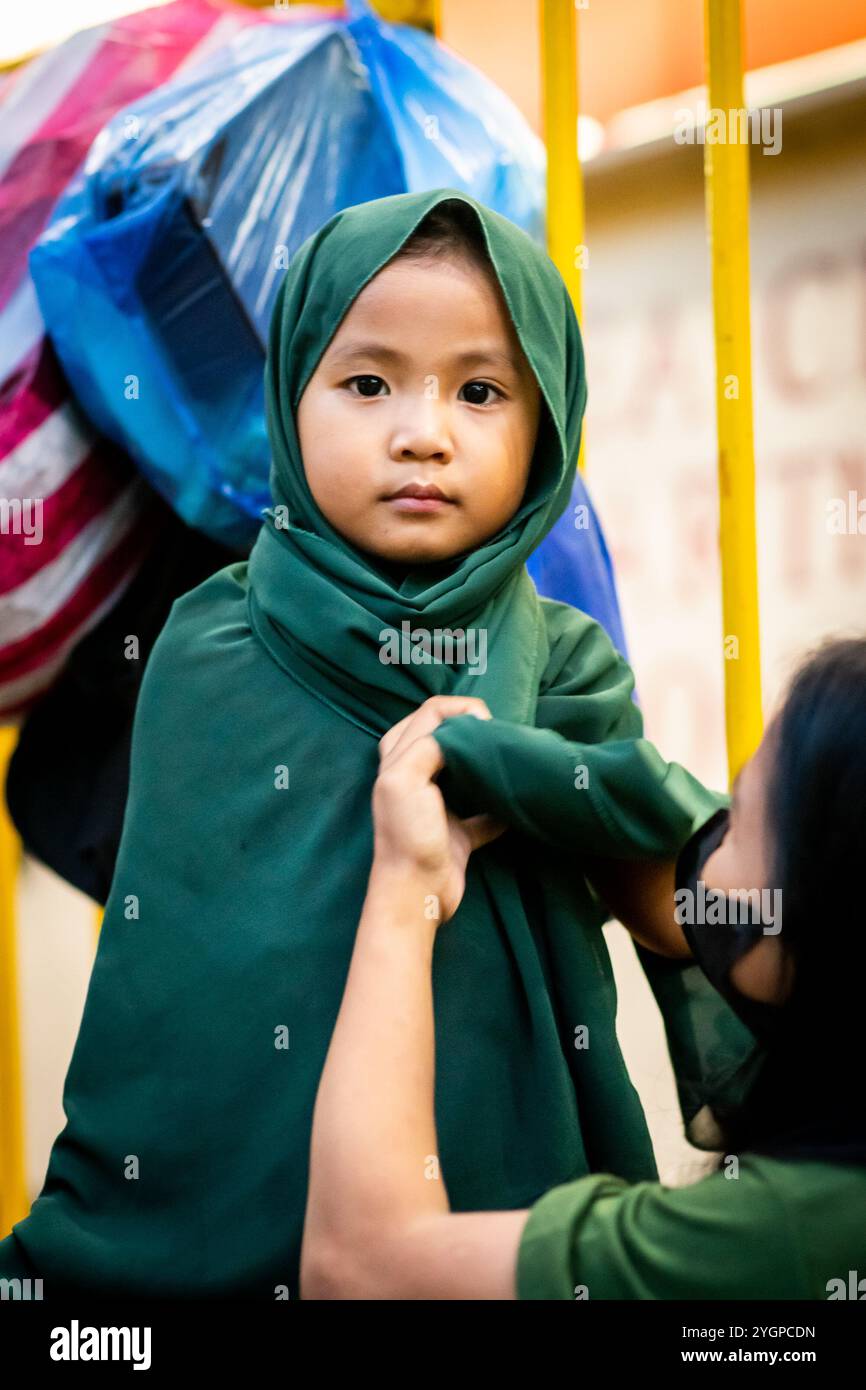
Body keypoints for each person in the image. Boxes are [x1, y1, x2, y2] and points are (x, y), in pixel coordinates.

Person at [0, 189, 751, 1297]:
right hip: (206, 1217)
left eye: (481, 390)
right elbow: (179, 981)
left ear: (545, 427)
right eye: (366, 382)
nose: (421, 431)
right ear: (289, 399)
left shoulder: (559, 665)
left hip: (488, 1203)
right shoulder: (211, 638)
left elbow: (660, 891)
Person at [301, 638, 866, 1300]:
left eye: (738, 821)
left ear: (821, 927)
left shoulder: (783, 1238)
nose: (704, 838)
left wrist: (405, 888)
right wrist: (570, 792)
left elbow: (360, 1271)